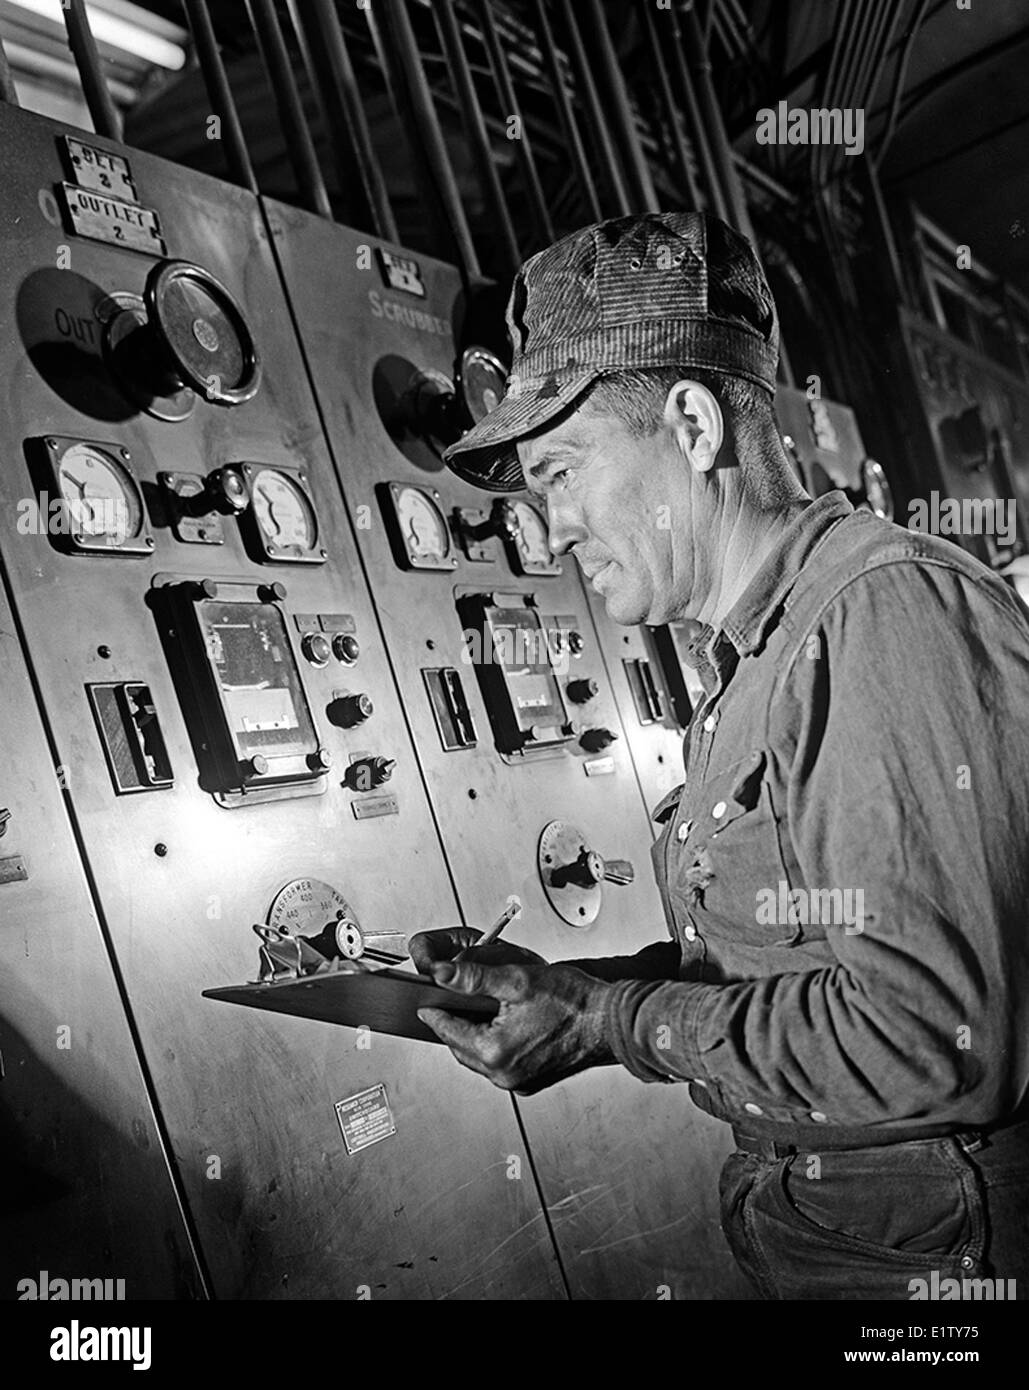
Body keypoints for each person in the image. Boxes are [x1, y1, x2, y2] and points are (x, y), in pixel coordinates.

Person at [409, 211, 1029, 1300]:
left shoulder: (879, 613)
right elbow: (797, 966)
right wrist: (566, 991)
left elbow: (939, 1037)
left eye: (558, 472)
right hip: (847, 1224)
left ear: (692, 423)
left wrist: (611, 1024)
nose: (547, 532)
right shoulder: (760, 649)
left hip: (935, 1250)